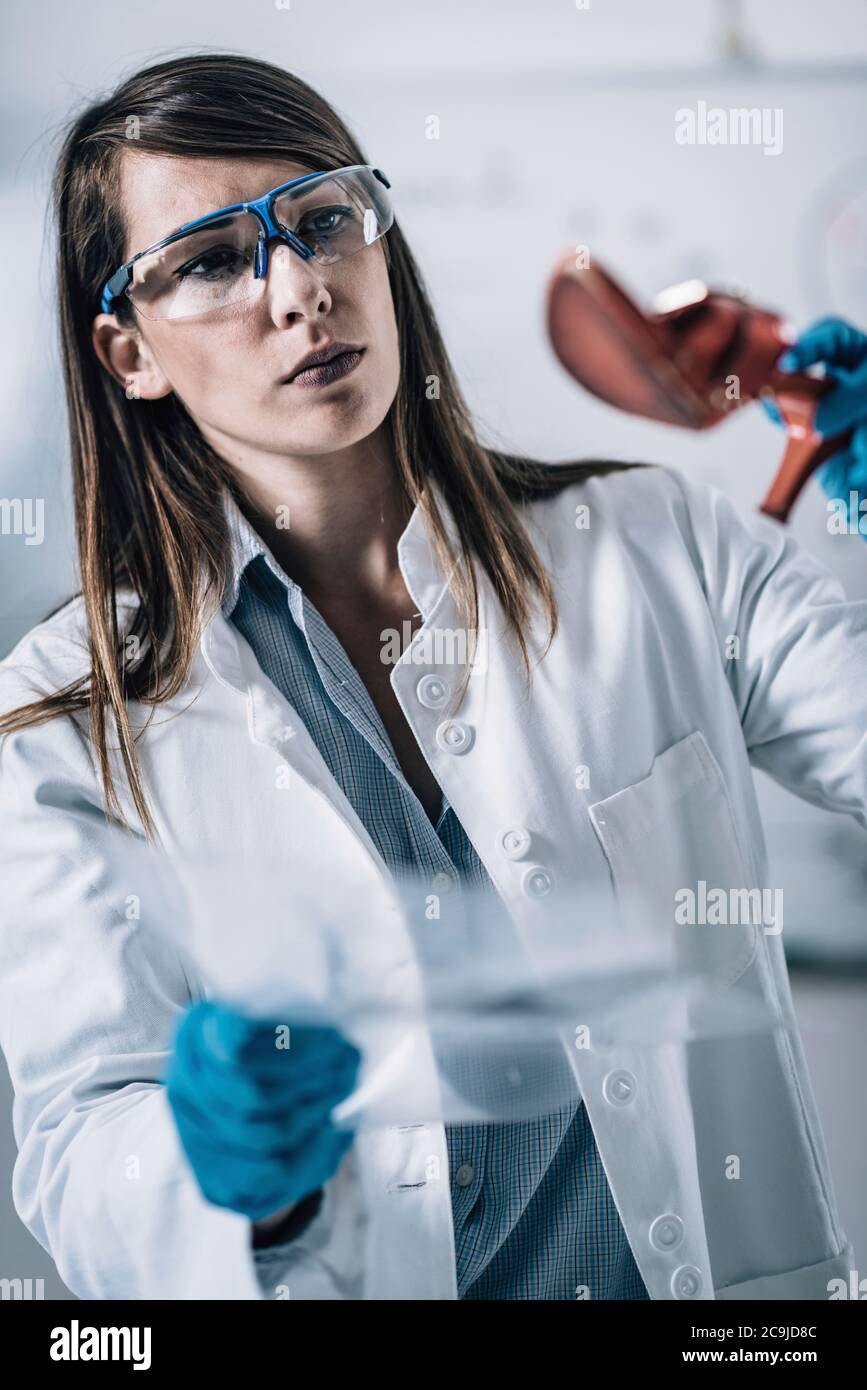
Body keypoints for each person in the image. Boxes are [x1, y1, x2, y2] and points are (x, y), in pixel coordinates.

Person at [0, 52, 865, 1303]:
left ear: (379, 247)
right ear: (126, 351)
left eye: (323, 221)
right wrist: (234, 1166)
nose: (297, 287)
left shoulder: (658, 546)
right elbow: (82, 1150)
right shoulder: (66, 717)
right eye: (207, 259)